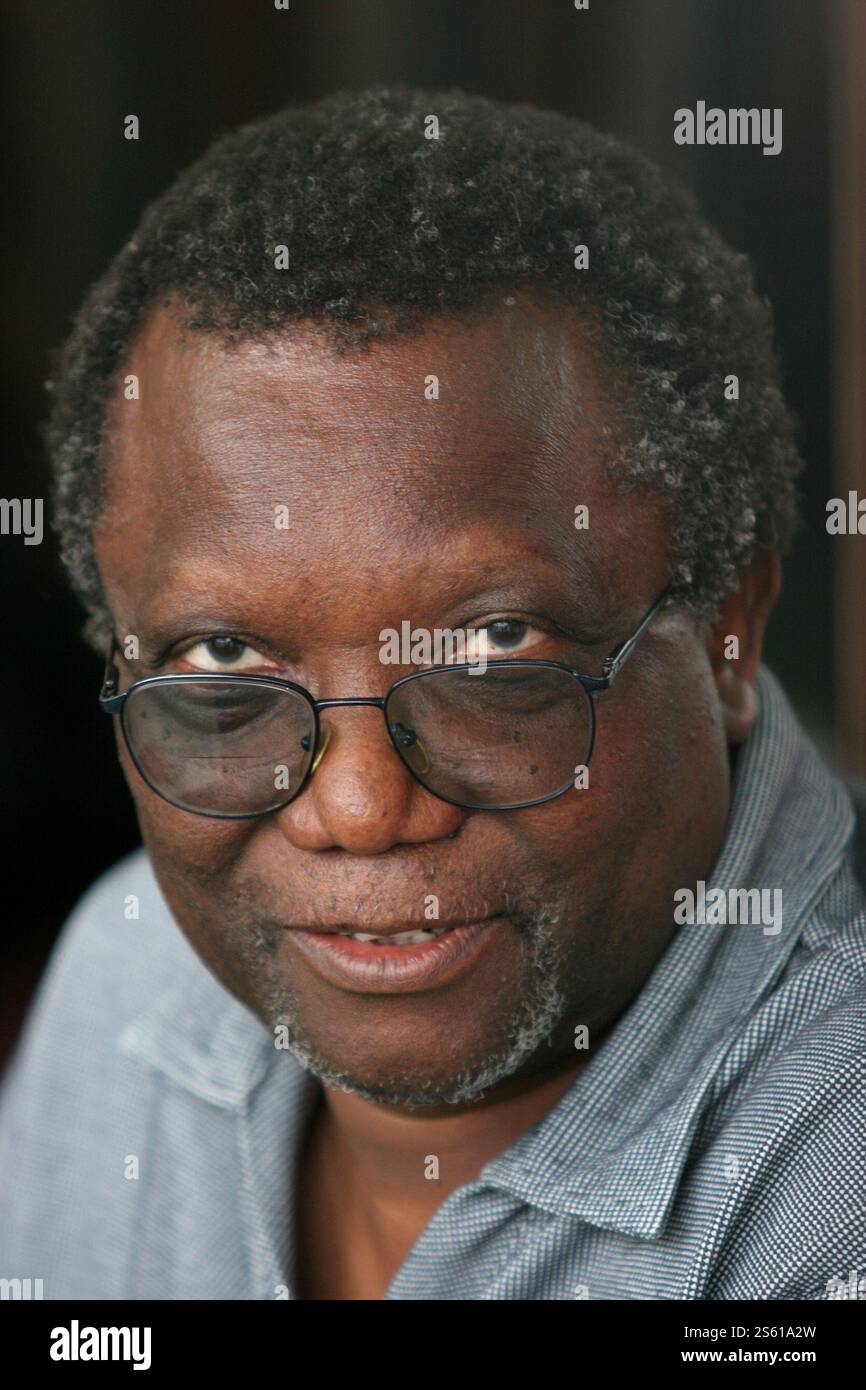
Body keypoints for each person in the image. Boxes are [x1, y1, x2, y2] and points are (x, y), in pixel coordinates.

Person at [1, 87, 864, 1301]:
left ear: (725, 632)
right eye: (224, 657)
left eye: (491, 644)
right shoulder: (124, 986)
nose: (357, 807)